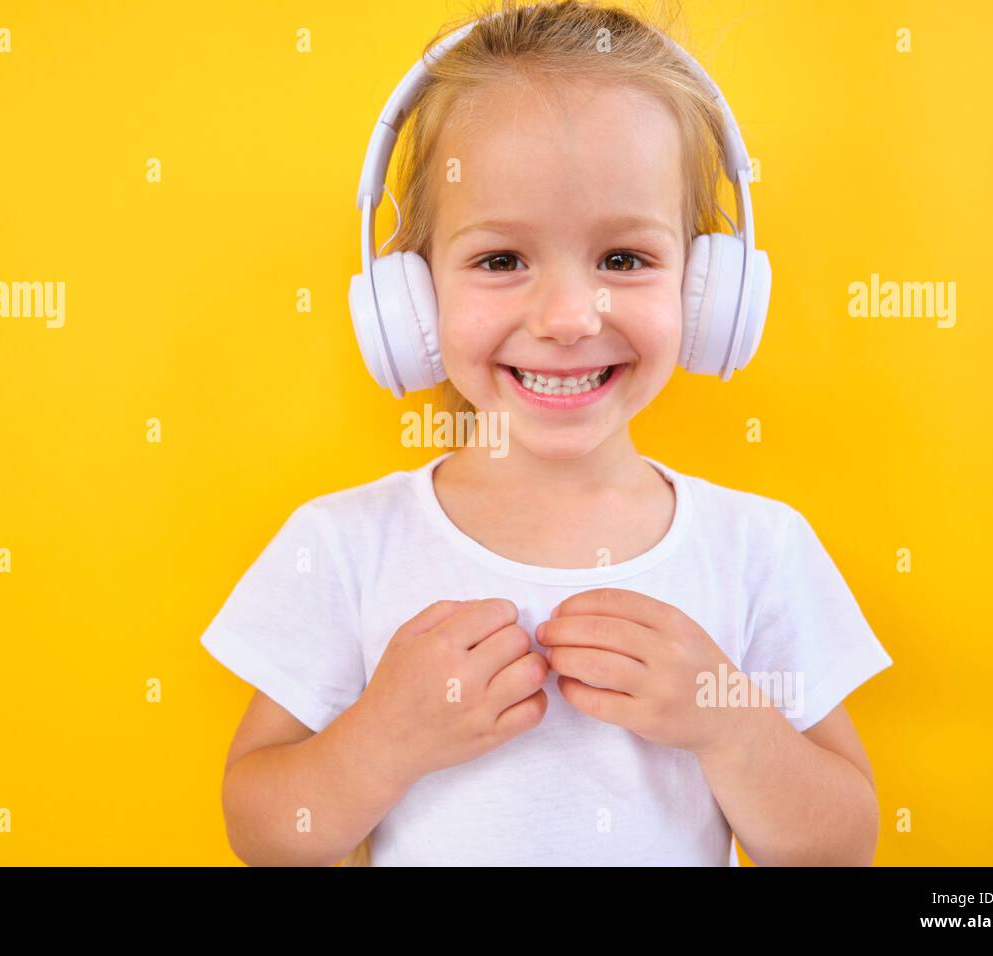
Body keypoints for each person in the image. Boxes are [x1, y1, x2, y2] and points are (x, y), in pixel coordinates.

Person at [202, 0, 892, 866]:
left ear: (706, 290)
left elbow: (844, 851)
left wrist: (727, 724)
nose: (569, 317)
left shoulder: (761, 548)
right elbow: (265, 840)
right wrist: (378, 742)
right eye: (501, 260)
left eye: (624, 259)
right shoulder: (343, 545)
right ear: (411, 299)